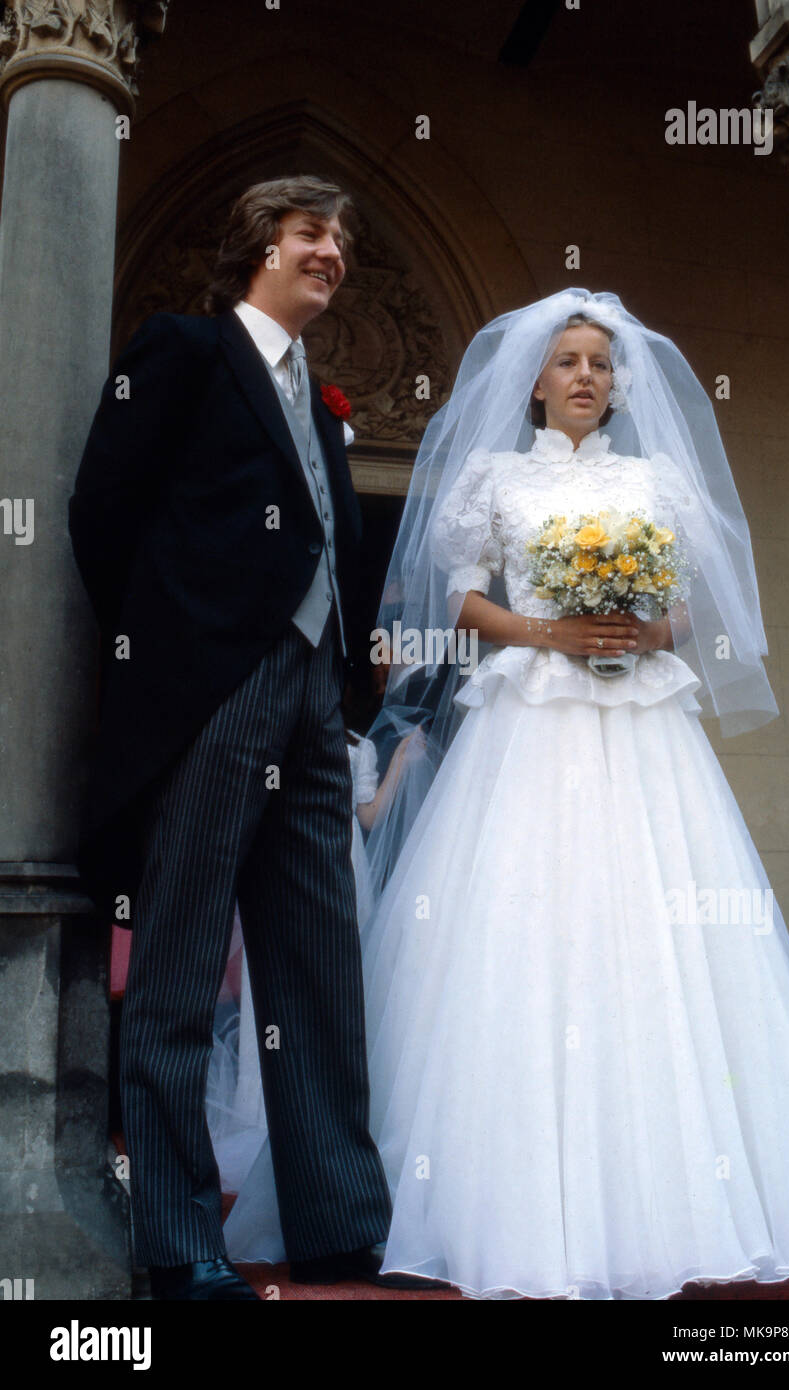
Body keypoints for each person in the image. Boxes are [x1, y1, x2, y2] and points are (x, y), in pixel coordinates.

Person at [359, 288, 789, 1300]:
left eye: (601, 363)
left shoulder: (655, 482)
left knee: (653, 930)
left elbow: (685, 610)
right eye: (569, 361)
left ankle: (676, 1192)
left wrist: (632, 633)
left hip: (639, 730)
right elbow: (459, 599)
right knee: (525, 928)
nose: (587, 376)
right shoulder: (490, 478)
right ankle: (505, 1201)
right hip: (526, 723)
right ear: (534, 381)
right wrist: (553, 633)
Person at [67, 174, 411, 1299]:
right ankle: (176, 1243)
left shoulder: (321, 406)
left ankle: (336, 1225)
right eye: (314, 233)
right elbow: (101, 510)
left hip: (315, 703)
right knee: (173, 972)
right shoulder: (181, 350)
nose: (333, 254)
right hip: (214, 691)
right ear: (260, 243)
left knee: (319, 961)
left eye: (340, 239)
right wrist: (176, 653)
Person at [206, 722, 425, 1263]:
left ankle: (327, 1126)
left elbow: (369, 815)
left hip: (347, 870)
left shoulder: (359, 747)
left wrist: (400, 761)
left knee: (341, 993)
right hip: (290, 864)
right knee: (273, 997)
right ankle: (259, 1110)